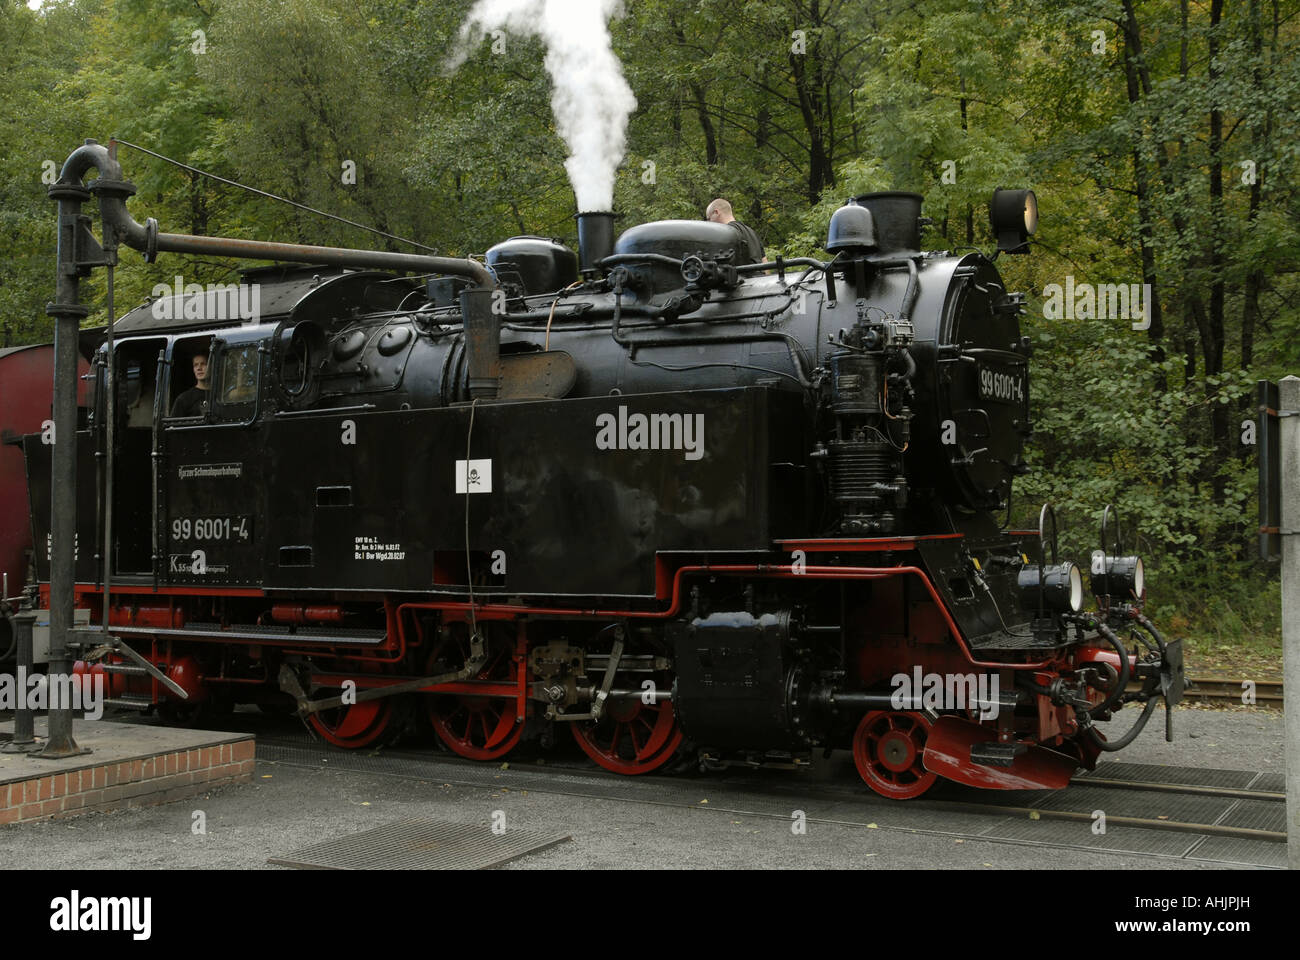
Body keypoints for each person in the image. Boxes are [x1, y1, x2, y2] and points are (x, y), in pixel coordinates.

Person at [705, 198, 765, 264]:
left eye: (709, 218)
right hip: (759, 274)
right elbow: (765, 263)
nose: (709, 222)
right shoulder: (752, 232)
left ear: (716, 212)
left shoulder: (724, 233)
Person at [170, 351, 211, 418]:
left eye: (203, 364)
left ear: (211, 366)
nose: (199, 368)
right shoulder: (183, 399)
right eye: (195, 365)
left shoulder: (220, 397)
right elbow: (173, 426)